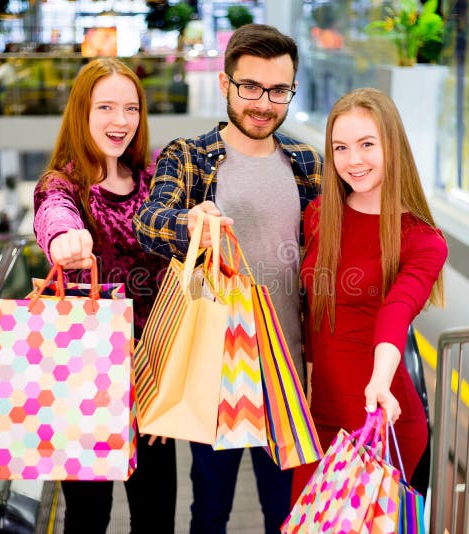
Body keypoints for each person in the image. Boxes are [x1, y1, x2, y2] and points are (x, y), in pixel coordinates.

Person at [133, 23, 323, 534]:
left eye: (279, 90)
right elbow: (148, 221)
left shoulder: (307, 163)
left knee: (287, 513)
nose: (264, 103)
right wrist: (188, 222)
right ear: (225, 85)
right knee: (210, 509)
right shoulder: (189, 156)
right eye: (250, 88)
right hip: (214, 371)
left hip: (290, 374)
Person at [33, 57, 175, 534]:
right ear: (82, 112)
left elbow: (178, 228)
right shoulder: (65, 184)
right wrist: (63, 239)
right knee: (88, 516)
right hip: (86, 380)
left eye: (131, 108)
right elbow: (53, 214)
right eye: (106, 108)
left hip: (153, 378)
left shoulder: (155, 178)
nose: (121, 122)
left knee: (156, 513)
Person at [293, 87, 447, 500]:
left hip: (379, 419)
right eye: (340, 147)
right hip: (318, 417)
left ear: (392, 145)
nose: (352, 160)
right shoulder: (320, 215)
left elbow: (395, 312)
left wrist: (379, 381)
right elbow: (313, 311)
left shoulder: (423, 241)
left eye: (366, 144)